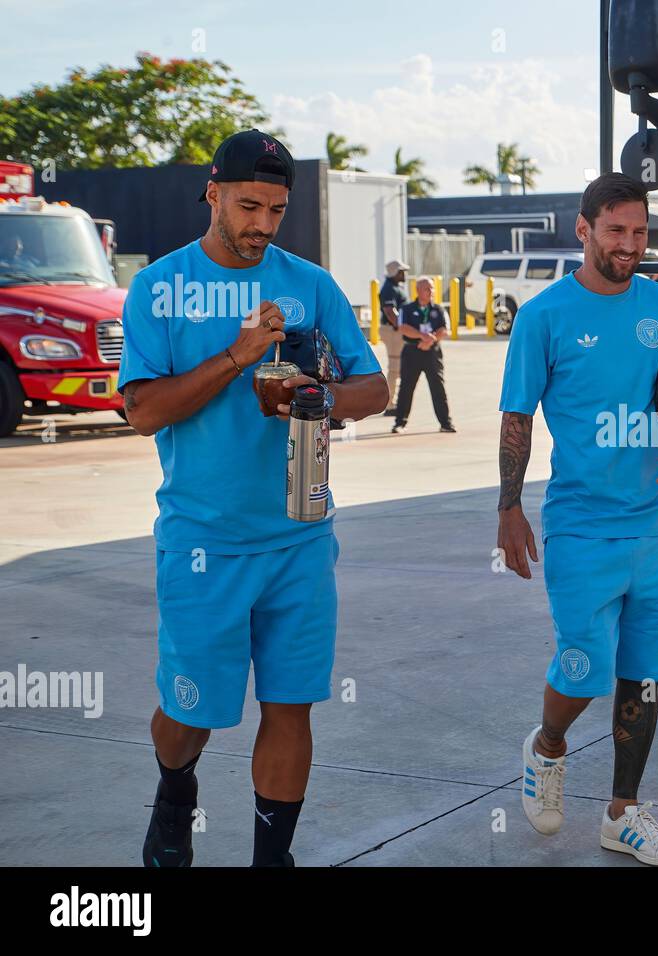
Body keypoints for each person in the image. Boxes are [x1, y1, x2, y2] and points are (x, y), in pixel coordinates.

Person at [117, 129, 389, 867]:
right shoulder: (157, 288)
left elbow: (377, 387)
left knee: (290, 702)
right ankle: (176, 794)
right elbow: (142, 411)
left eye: (275, 209)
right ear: (212, 192)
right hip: (203, 538)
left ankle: (274, 860)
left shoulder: (309, 284)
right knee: (187, 714)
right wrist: (237, 357)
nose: (262, 226)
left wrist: (319, 397)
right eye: (247, 206)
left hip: (300, 531)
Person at [496, 173, 658, 866]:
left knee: (645, 670)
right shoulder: (545, 316)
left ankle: (623, 812)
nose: (629, 245)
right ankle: (548, 745)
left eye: (640, 232)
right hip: (581, 525)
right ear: (585, 230)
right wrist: (508, 507)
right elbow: (517, 418)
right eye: (617, 230)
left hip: (656, 520)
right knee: (584, 666)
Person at [391, 275, 455, 434]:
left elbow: (445, 329)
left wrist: (430, 340)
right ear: (418, 290)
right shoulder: (406, 309)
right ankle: (400, 423)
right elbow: (402, 327)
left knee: (438, 387)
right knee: (406, 387)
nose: (431, 291)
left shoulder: (438, 309)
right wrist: (422, 336)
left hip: (432, 352)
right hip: (412, 352)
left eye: (432, 288)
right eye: (427, 288)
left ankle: (446, 423)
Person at [378, 259, 410, 415]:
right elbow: (390, 312)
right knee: (395, 368)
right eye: (401, 271)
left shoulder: (395, 287)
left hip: (395, 330)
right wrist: (401, 327)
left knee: (397, 368)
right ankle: (390, 405)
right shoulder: (389, 289)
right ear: (395, 273)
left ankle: (392, 402)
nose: (404, 274)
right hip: (392, 331)